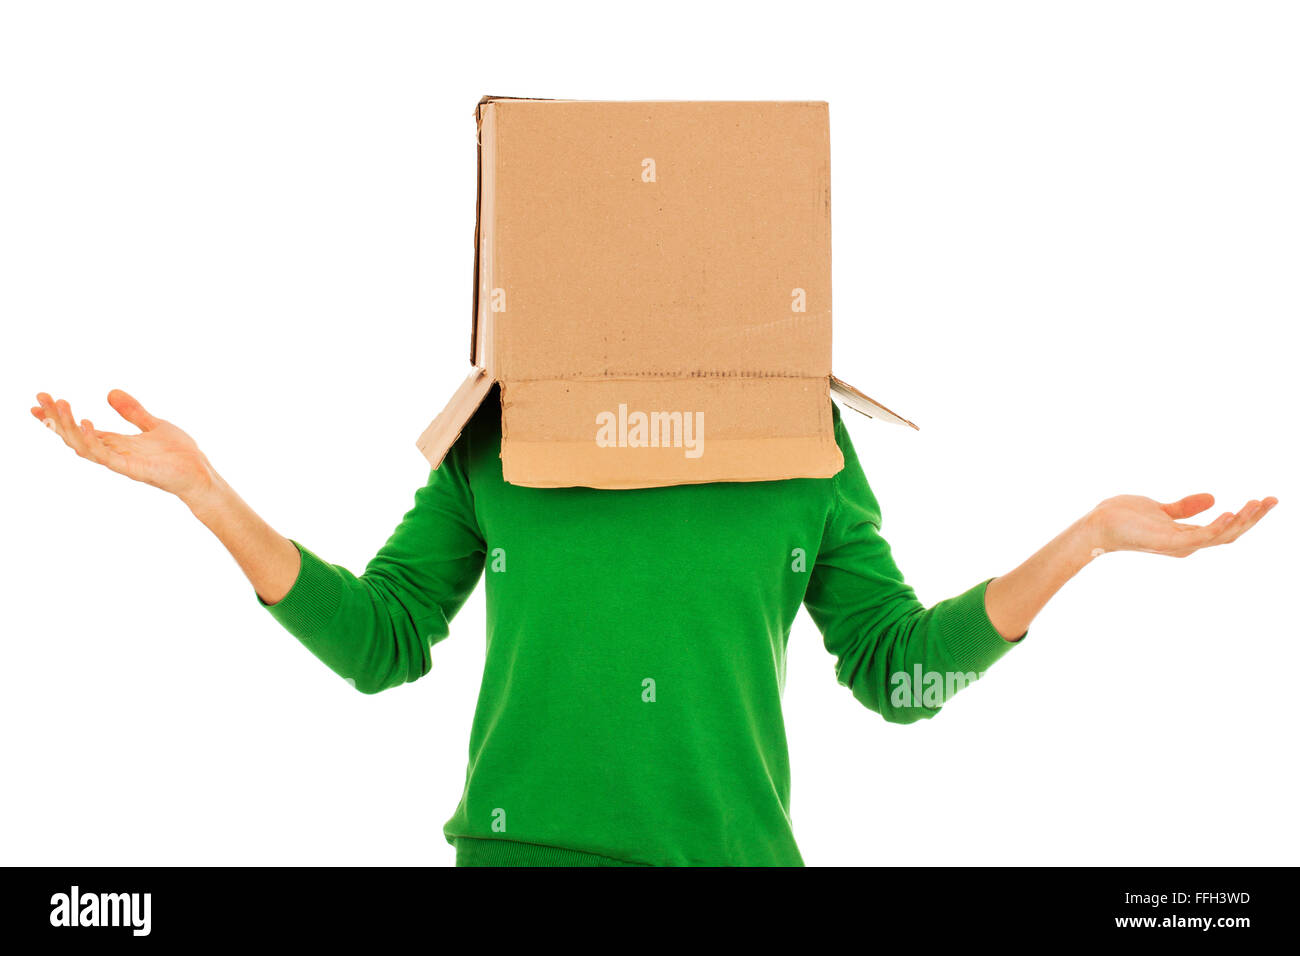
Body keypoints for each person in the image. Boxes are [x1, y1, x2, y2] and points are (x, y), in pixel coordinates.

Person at [31, 385, 1276, 867]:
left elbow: (900, 677)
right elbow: (382, 638)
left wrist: (1089, 541)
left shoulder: (804, 446)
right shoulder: (501, 433)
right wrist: (206, 492)